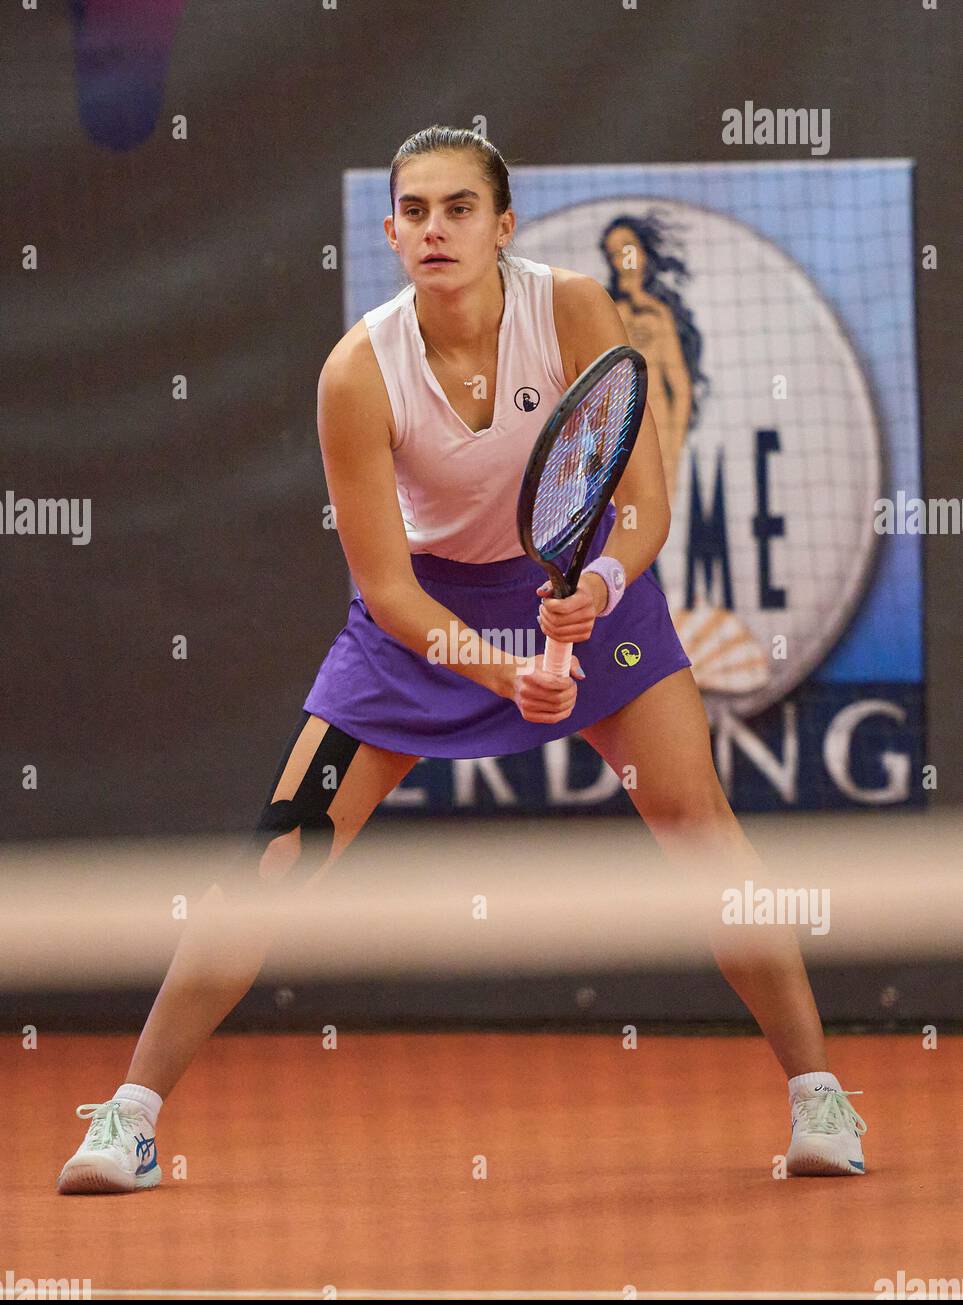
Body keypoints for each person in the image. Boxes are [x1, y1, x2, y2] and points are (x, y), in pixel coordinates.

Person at [57, 126, 866, 1195]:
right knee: (277, 854)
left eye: (459, 209)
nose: (435, 229)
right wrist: (503, 668)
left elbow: (645, 503)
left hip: (599, 605)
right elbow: (387, 589)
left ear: (503, 226)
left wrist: (600, 586)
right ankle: (132, 1117)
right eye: (416, 212)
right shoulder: (358, 371)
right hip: (424, 626)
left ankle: (819, 1095)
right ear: (391, 231)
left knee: (700, 828)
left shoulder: (573, 308)